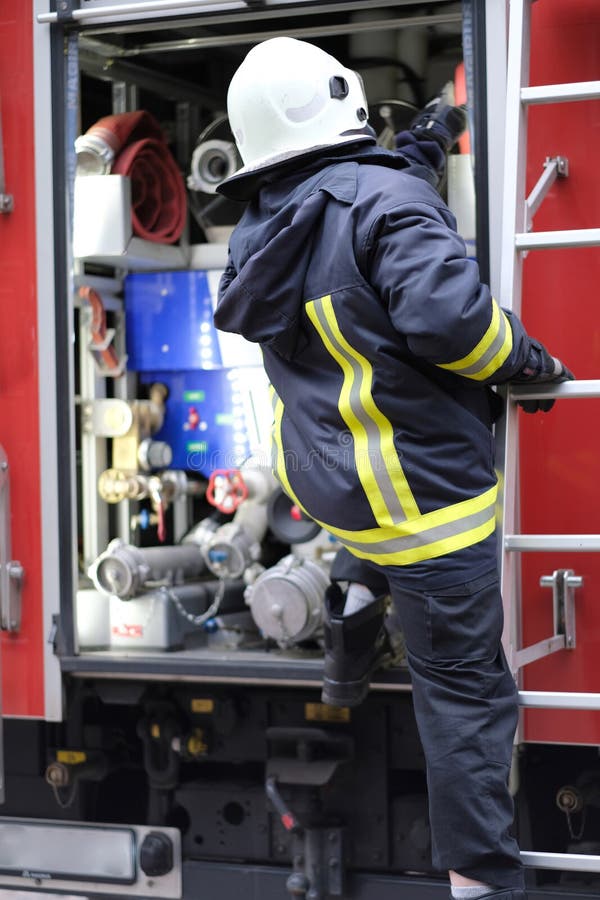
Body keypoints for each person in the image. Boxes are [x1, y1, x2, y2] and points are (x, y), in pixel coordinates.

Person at [213, 37, 574, 900]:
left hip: (343, 490)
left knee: (369, 548)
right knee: (465, 702)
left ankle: (350, 626)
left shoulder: (269, 221)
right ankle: (482, 882)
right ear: (340, 103)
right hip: (430, 507)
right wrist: (525, 361)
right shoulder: (383, 203)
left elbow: (352, 213)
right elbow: (455, 323)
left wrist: (425, 147)